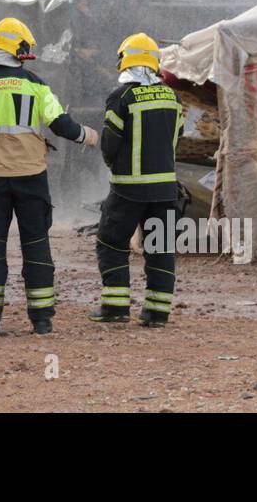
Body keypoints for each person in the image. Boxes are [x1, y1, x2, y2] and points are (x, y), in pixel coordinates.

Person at [0, 17, 98, 336]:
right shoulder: (35, 84)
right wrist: (88, 136)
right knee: (36, 244)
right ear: (18, 50)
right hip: (31, 177)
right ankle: (41, 320)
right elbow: (60, 124)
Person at [91, 32, 184, 327]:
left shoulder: (121, 97)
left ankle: (116, 309)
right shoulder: (173, 97)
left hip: (128, 190)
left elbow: (109, 143)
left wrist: (115, 168)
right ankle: (157, 313)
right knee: (161, 248)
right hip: (166, 190)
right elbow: (177, 137)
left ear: (125, 62)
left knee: (112, 243)